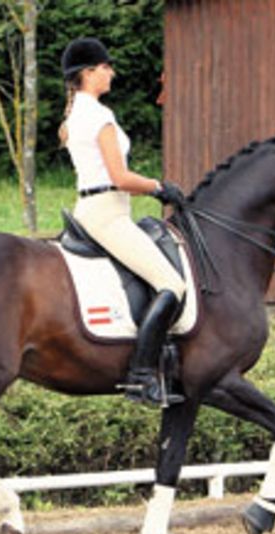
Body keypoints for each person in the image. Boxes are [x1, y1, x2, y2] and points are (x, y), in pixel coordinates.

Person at [59, 37, 187, 406]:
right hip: (108, 214)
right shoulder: (99, 116)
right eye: (105, 67)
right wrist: (160, 188)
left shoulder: (75, 115)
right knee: (171, 284)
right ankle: (142, 376)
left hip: (93, 208)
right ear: (88, 73)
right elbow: (119, 177)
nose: (111, 72)